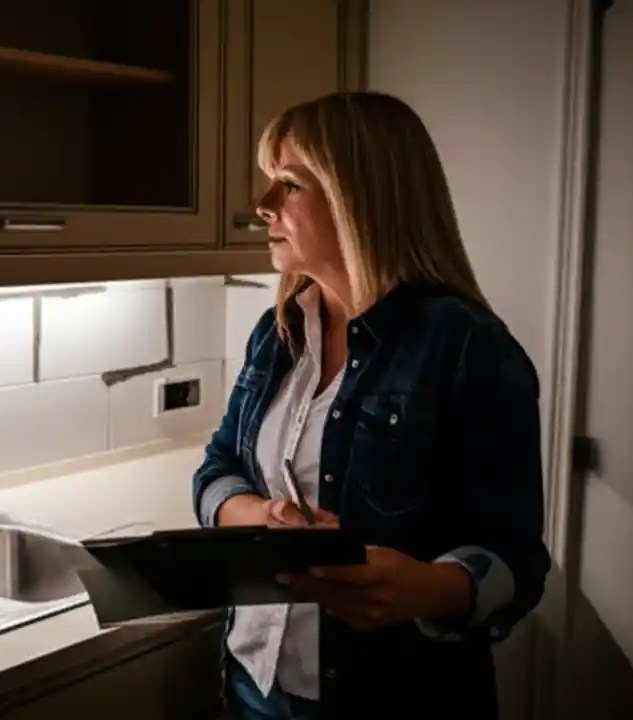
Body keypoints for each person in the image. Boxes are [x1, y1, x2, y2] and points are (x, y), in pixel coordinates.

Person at [190, 91, 551, 719]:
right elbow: (217, 467)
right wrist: (260, 516)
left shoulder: (465, 346)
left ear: (362, 198)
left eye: (290, 185)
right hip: (254, 682)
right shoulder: (276, 333)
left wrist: (424, 588)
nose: (262, 205)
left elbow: (517, 565)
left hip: (392, 697)